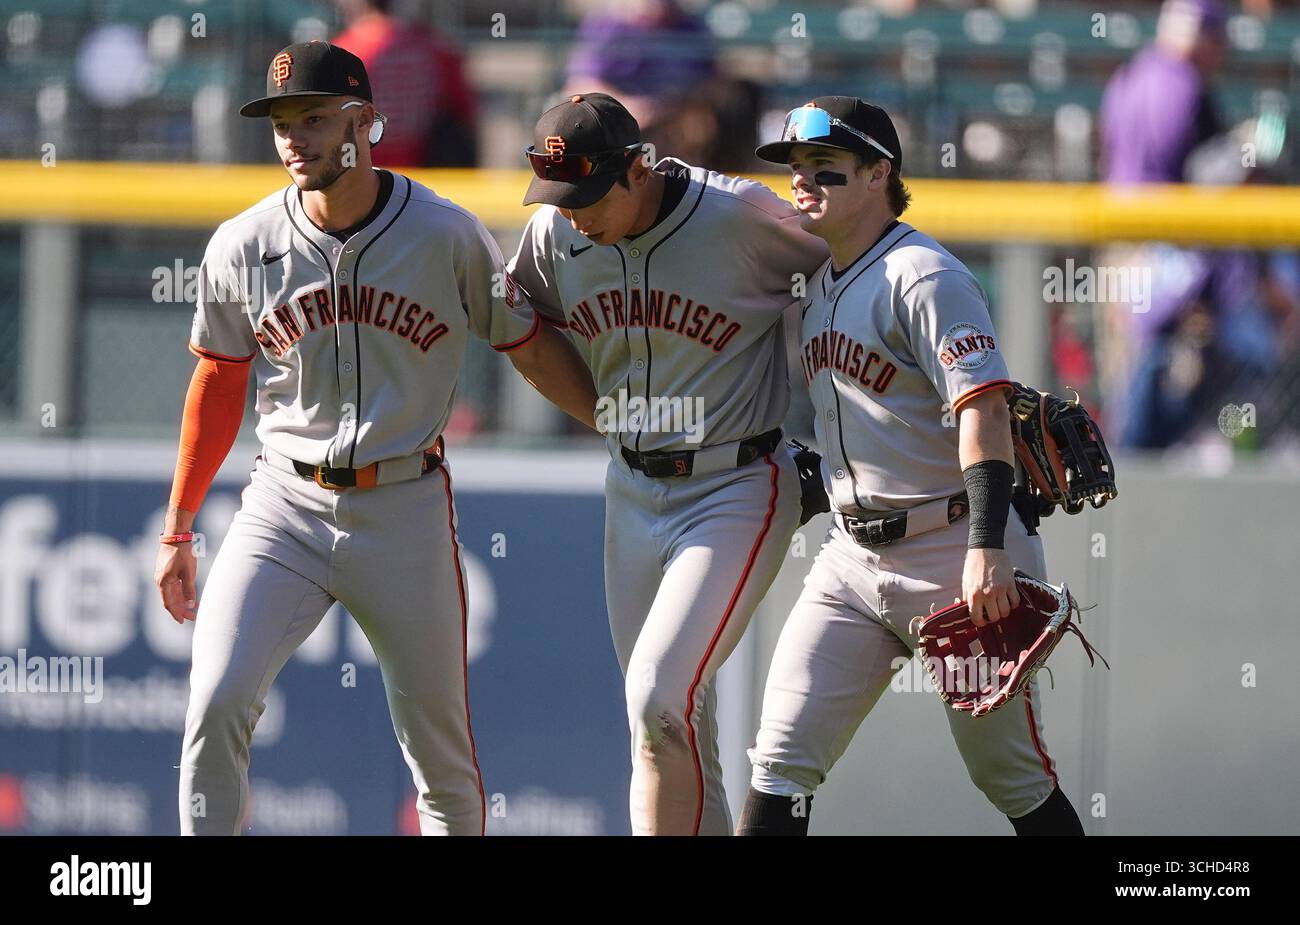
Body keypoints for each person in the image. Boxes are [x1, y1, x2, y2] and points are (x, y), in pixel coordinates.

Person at [155, 41, 595, 835]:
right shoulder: (243, 245)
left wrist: (612, 421)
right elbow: (218, 383)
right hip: (282, 503)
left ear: (365, 121)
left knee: (441, 758)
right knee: (215, 699)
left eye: (315, 118)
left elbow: (524, 343)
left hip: (406, 506)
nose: (295, 137)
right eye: (283, 121)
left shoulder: (444, 233)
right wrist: (179, 526)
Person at [740, 97, 1085, 836]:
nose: (803, 183)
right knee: (778, 762)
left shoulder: (924, 274)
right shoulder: (821, 280)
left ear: (877, 173)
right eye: (795, 169)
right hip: (851, 559)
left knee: (1013, 779)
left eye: (826, 170)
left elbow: (984, 413)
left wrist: (988, 548)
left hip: (956, 552)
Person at [505, 92, 828, 835]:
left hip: (736, 482)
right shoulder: (556, 232)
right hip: (630, 487)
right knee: (670, 724)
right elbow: (514, 318)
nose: (571, 211)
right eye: (557, 194)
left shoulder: (738, 216)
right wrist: (601, 417)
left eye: (585, 193)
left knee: (656, 699)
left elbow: (852, 269)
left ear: (638, 169)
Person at [333, 0, 478, 166]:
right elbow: (465, 114)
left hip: (364, 171)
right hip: (428, 173)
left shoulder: (341, 52)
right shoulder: (432, 47)